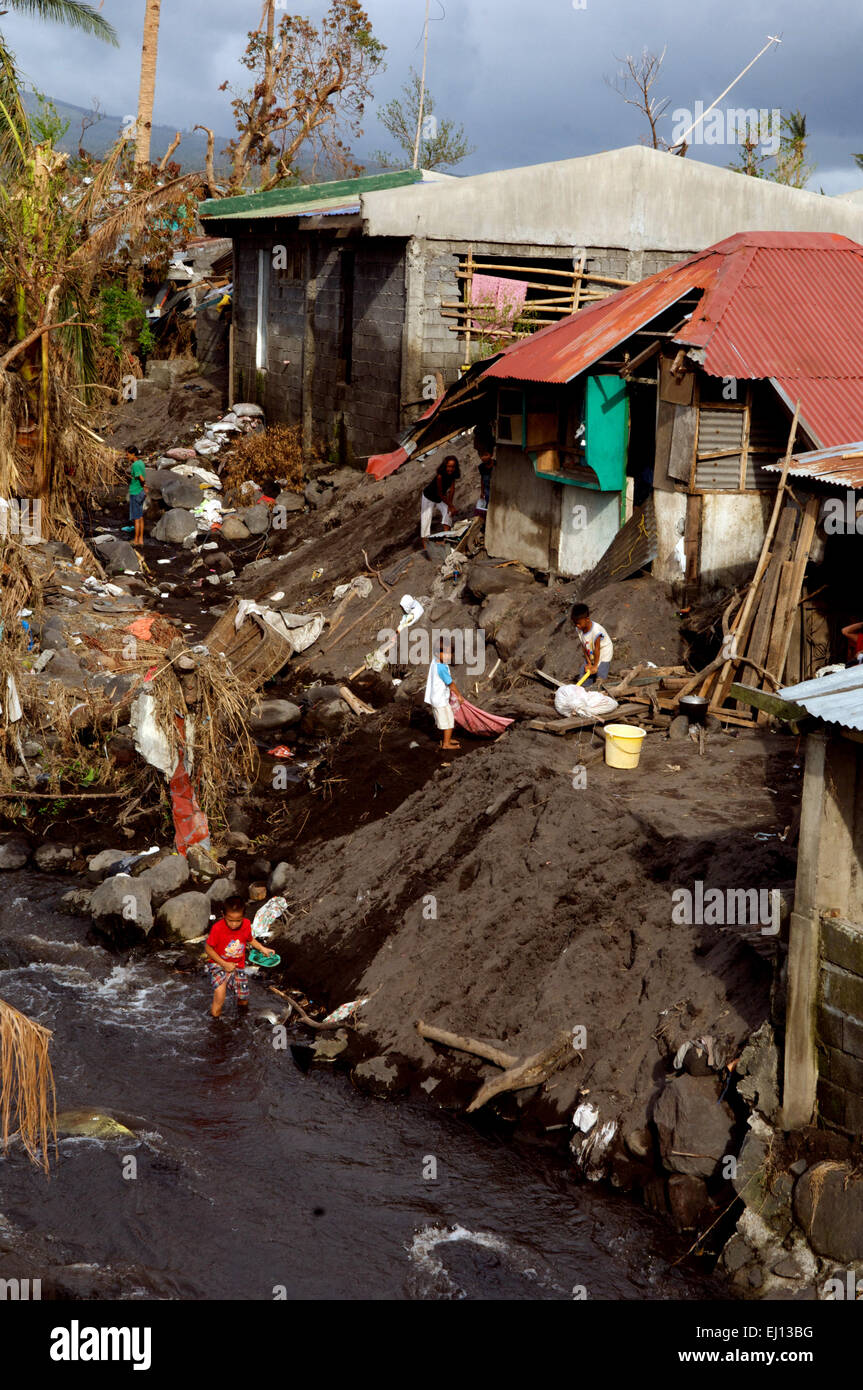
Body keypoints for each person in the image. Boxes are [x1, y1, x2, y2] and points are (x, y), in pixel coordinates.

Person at [204, 895, 275, 1018]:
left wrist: (263, 948)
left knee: (243, 997)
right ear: (223, 914)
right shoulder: (218, 928)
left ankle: (241, 1020)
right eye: (230, 920)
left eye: (238, 920)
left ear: (243, 916)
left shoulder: (246, 924)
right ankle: (215, 1021)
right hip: (218, 963)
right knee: (220, 993)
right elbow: (208, 948)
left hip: (238, 964)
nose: (234, 924)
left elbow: (250, 939)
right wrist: (224, 964)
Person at [424, 641, 464, 752]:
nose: (448, 656)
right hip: (440, 700)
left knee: (445, 720)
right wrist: (459, 696)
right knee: (449, 721)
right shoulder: (441, 668)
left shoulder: (435, 661)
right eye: (445, 653)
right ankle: (446, 744)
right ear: (437, 653)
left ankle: (448, 739)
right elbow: (450, 684)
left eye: (450, 653)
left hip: (435, 697)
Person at [571, 602, 614, 687]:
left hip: (604, 652)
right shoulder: (579, 629)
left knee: (600, 673)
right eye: (575, 623)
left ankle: (599, 689)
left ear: (587, 619)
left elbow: (597, 649)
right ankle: (585, 688)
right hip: (592, 652)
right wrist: (589, 663)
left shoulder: (596, 631)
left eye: (579, 623)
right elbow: (584, 646)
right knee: (583, 671)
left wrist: (595, 666)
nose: (577, 626)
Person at [420, 455, 460, 540]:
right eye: (449, 466)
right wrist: (451, 506)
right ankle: (425, 542)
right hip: (429, 496)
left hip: (439, 498)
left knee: (447, 512)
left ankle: (446, 535)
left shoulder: (452, 475)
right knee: (426, 519)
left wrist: (450, 505)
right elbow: (440, 493)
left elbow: (452, 490)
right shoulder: (440, 476)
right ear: (445, 466)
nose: (451, 469)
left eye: (453, 467)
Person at [127, 447, 148, 547]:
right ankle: (141, 540)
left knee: (136, 517)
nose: (127, 457)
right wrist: (144, 487)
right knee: (140, 517)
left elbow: (141, 477)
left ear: (132, 454)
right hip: (141, 492)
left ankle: (135, 540)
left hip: (136, 492)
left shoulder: (135, 465)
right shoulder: (141, 463)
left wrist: (144, 485)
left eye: (127, 454)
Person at [476, 446, 495, 514]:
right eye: (481, 455)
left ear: (491, 454)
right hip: (487, 490)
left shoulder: (496, 464)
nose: (483, 457)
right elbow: (482, 479)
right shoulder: (481, 467)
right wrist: (482, 491)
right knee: (489, 506)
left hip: (497, 488)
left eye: (486, 455)